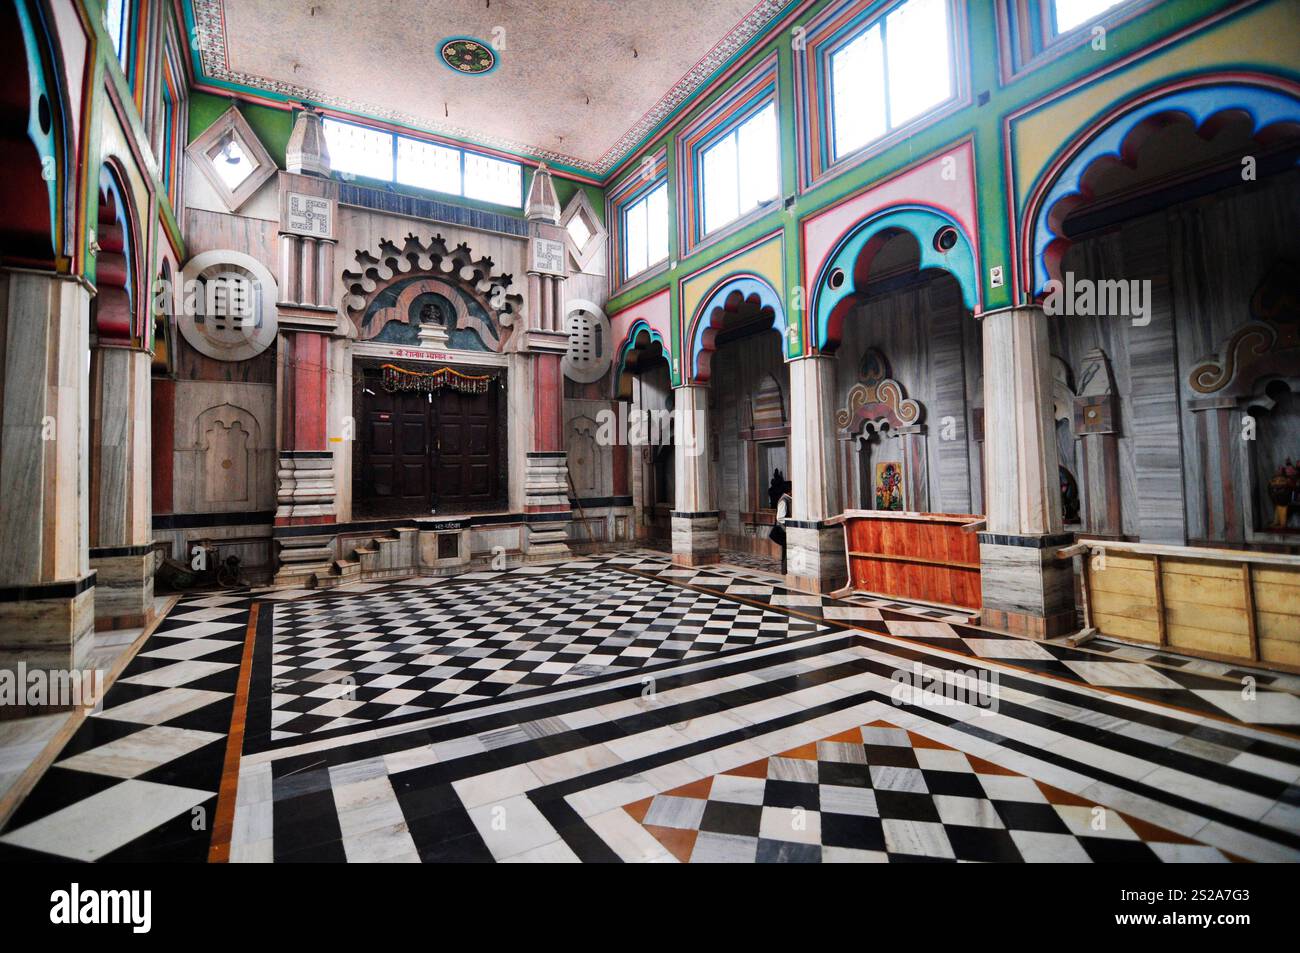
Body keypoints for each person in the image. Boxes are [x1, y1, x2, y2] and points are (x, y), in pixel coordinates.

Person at [768, 469, 793, 574]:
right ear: (789, 490)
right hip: (783, 530)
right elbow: (780, 517)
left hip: (786, 530)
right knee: (786, 551)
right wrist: (791, 521)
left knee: (787, 550)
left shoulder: (788, 499)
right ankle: (785, 571)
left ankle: (786, 570)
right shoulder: (784, 500)